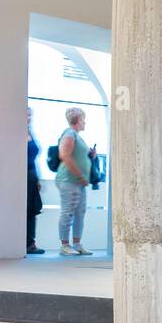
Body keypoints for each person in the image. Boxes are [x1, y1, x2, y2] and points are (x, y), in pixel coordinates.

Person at [55, 106, 92, 256]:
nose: (85, 122)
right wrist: (80, 176)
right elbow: (65, 155)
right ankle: (65, 245)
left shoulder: (77, 135)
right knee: (68, 212)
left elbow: (77, 155)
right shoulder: (70, 133)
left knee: (79, 213)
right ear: (77, 120)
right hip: (69, 180)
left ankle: (77, 244)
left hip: (79, 182)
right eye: (83, 119)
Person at [26, 108, 44, 255]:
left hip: (31, 176)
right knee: (25, 210)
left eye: (30, 115)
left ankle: (30, 243)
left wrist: (37, 178)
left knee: (32, 209)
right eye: (26, 114)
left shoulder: (30, 132)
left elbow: (33, 159)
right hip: (22, 176)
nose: (29, 118)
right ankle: (23, 242)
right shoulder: (17, 132)